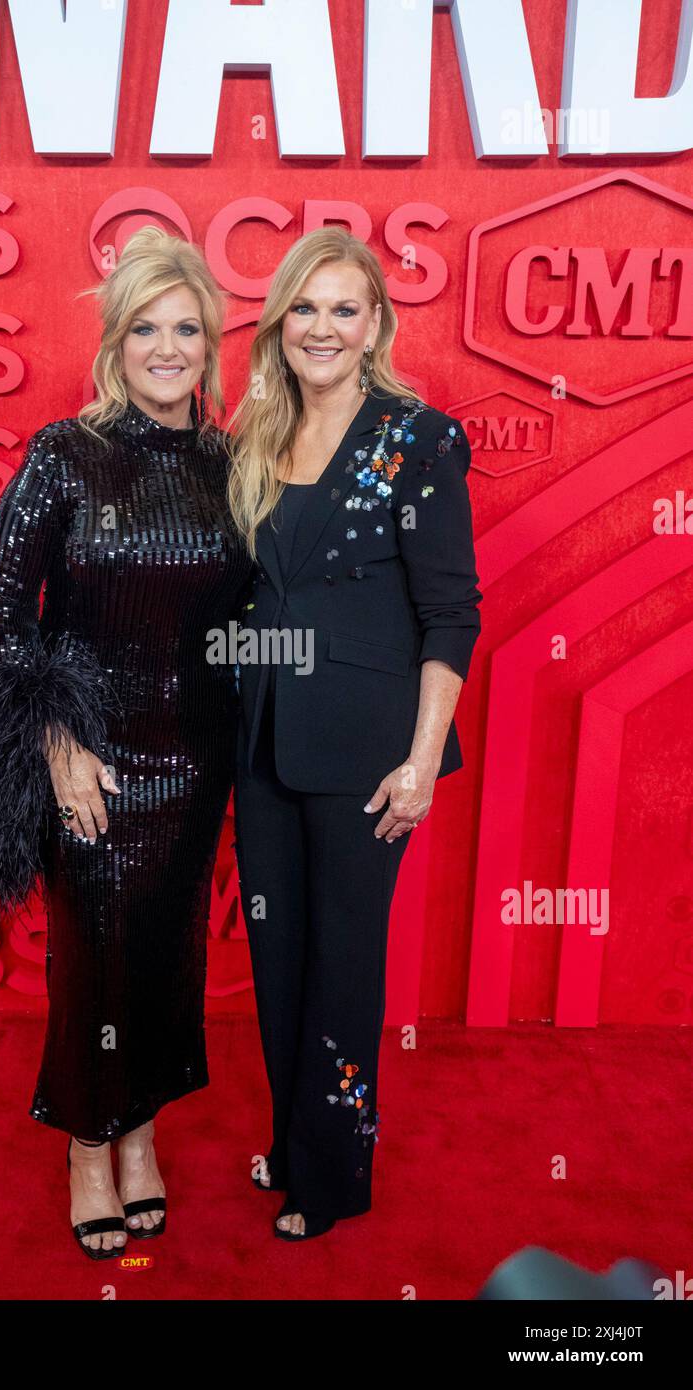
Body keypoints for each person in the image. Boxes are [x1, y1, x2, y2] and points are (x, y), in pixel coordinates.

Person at [0, 227, 253, 1258]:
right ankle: (84, 1148)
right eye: (145, 326)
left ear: (208, 344)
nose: (166, 347)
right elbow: (6, 618)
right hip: (93, 764)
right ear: (117, 340)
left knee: (164, 957)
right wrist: (59, 743)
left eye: (185, 328)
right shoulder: (63, 455)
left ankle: (140, 1134)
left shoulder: (230, 462)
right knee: (93, 962)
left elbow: (252, 615)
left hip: (193, 764)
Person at [226, 228, 482, 1240]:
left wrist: (421, 761)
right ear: (280, 323)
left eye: (343, 308)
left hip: (368, 757)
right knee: (274, 953)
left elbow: (449, 612)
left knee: (340, 962)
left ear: (373, 321)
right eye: (304, 307)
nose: (322, 327)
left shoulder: (416, 437)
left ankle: (331, 1178)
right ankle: (292, 1144)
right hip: (261, 745)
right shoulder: (254, 432)